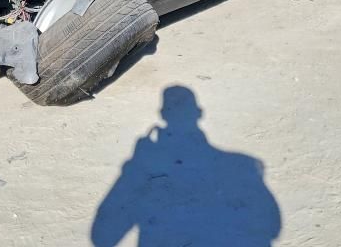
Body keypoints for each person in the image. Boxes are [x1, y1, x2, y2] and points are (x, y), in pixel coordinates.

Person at [92, 86, 281, 246]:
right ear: (199, 113)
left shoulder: (143, 168)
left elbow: (102, 237)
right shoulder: (244, 165)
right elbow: (273, 227)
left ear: (163, 115)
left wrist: (132, 169)